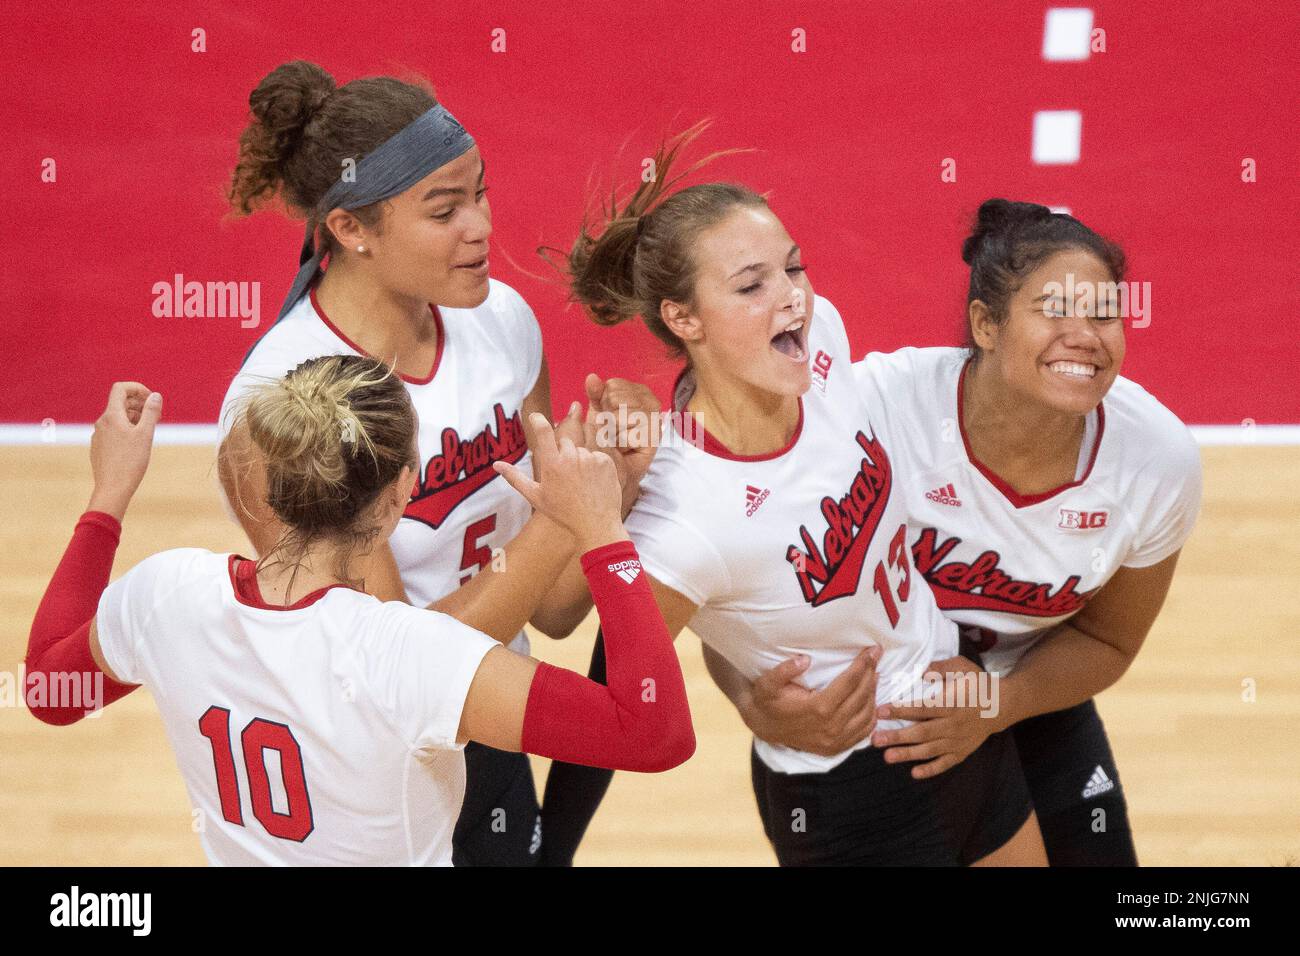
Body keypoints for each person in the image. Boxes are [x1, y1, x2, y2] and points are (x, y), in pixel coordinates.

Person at [543, 131, 1047, 865]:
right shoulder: (684, 518)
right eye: (752, 286)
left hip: (953, 719)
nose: (792, 297)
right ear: (684, 319)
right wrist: (549, 852)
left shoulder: (822, 342)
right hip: (848, 796)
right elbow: (612, 692)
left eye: (794, 267)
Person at [218, 60, 657, 865]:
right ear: (351, 228)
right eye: (444, 209)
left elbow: (553, 610)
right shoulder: (282, 411)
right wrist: (564, 515)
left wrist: (612, 482)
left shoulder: (502, 324)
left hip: (488, 734)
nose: (482, 227)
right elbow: (394, 677)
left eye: (480, 194)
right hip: (367, 777)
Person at [24, 357, 694, 866]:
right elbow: (654, 734)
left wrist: (109, 494)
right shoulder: (412, 656)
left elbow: (50, 690)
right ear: (402, 490)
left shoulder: (167, 592)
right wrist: (601, 529)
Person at [720, 199, 1202, 866]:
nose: (1085, 335)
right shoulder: (873, 411)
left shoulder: (1156, 462)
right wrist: (754, 702)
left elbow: (1108, 639)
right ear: (986, 324)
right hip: (872, 729)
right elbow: (733, 577)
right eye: (1055, 309)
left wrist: (998, 703)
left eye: (1102, 314)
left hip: (1032, 693)